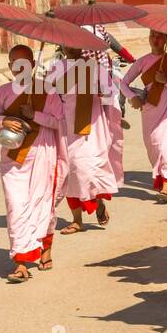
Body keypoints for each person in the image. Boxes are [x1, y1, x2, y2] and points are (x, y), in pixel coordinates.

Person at [0, 45, 63, 281]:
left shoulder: (47, 90)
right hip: (13, 157)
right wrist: (4, 120)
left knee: (42, 206)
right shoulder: (3, 92)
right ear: (9, 67)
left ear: (33, 65)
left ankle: (45, 247)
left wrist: (34, 115)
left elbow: (61, 123)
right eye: (14, 63)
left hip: (42, 154)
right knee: (16, 207)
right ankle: (21, 262)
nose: (19, 67)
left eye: (25, 63)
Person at [48, 46, 121, 233]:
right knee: (69, 172)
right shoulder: (56, 68)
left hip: (90, 126)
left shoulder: (94, 67)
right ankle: (77, 220)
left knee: (84, 168)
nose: (70, 47)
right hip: (65, 124)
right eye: (66, 43)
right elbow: (48, 96)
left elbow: (110, 95)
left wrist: (99, 87)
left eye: (74, 44)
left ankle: (97, 200)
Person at [120, 30, 167, 203]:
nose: (155, 40)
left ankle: (165, 187)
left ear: (166, 39)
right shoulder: (142, 61)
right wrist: (132, 97)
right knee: (154, 147)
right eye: (152, 36)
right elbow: (123, 83)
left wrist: (166, 81)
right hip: (150, 111)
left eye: (159, 36)